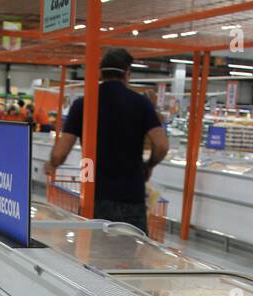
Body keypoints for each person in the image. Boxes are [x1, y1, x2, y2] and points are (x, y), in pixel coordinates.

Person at [45, 48, 168, 233]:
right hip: (131, 196)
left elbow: (60, 153)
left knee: (92, 254)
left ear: (100, 73)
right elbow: (161, 145)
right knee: (130, 256)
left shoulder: (82, 105)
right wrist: (148, 165)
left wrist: (52, 163)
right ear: (127, 74)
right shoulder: (141, 104)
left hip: (94, 196)